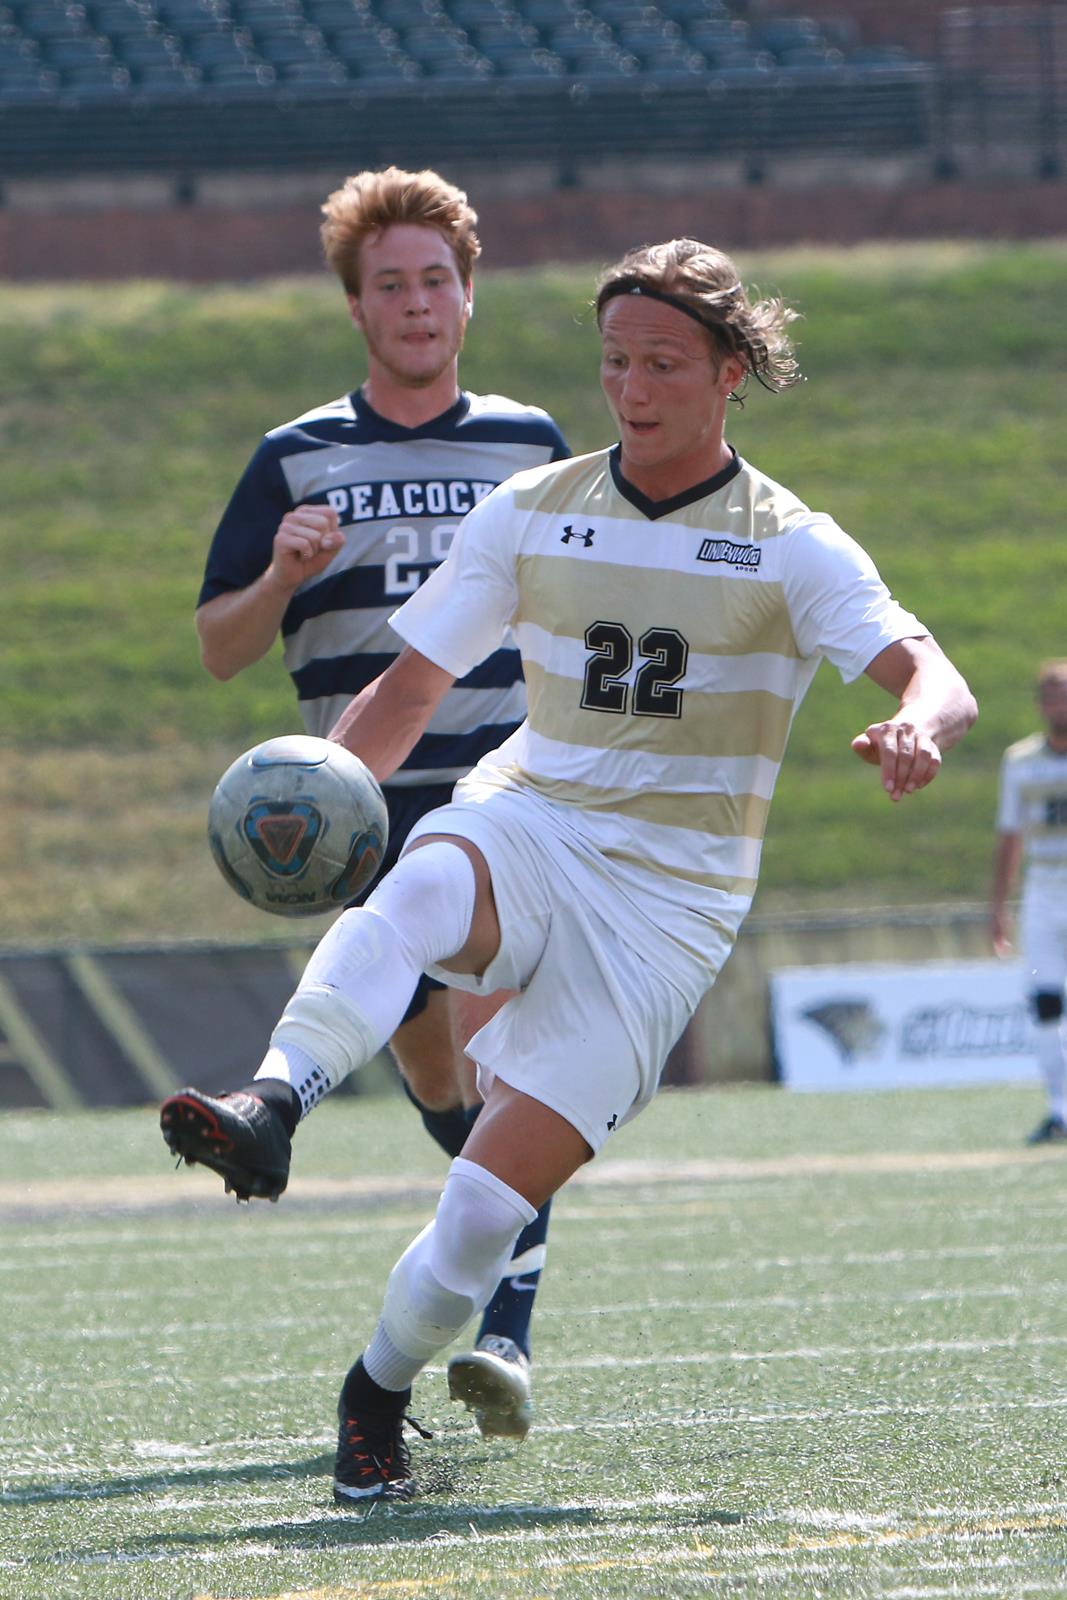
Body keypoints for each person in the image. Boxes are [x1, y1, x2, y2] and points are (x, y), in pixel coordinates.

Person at [167, 235, 977, 1505]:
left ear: (727, 372)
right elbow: (409, 686)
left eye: (661, 362)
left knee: (485, 1215)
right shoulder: (533, 507)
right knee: (419, 884)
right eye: (613, 361)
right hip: (535, 812)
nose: (631, 387)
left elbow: (935, 675)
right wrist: (333, 794)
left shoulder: (789, 543)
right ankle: (274, 1103)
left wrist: (914, 726)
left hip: (669, 903)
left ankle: (373, 1388)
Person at [160, 166, 570, 1442]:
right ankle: (491, 1272)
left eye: (435, 280)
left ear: (467, 294)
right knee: (438, 1069)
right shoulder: (295, 456)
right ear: (355, 306)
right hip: (363, 810)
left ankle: (501, 1334)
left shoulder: (528, 443)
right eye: (387, 284)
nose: (415, 303)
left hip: (510, 798)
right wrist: (281, 576)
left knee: (504, 1064)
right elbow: (221, 647)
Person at [991, 660, 1067, 1144]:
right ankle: (1061, 1110)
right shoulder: (1020, 760)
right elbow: (1009, 836)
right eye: (1053, 694)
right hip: (1043, 890)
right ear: (1041, 704)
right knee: (1045, 1002)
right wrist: (998, 906)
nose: (1060, 702)